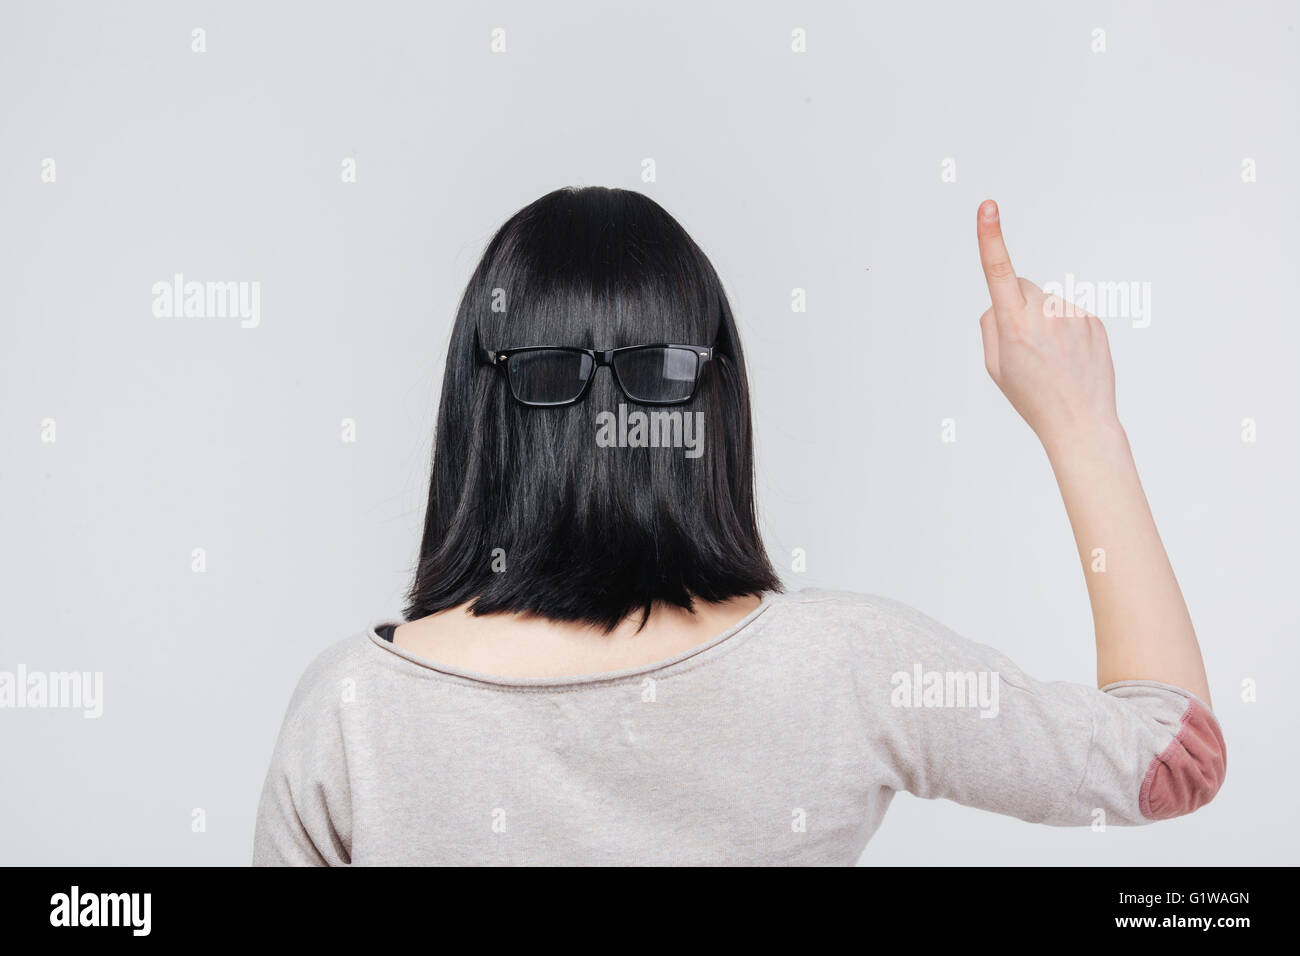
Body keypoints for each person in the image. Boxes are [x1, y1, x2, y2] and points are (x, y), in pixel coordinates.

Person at [253, 187, 1224, 866]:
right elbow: (1169, 756)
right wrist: (1081, 421)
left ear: (478, 408)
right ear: (713, 404)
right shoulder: (848, 666)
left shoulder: (348, 714)